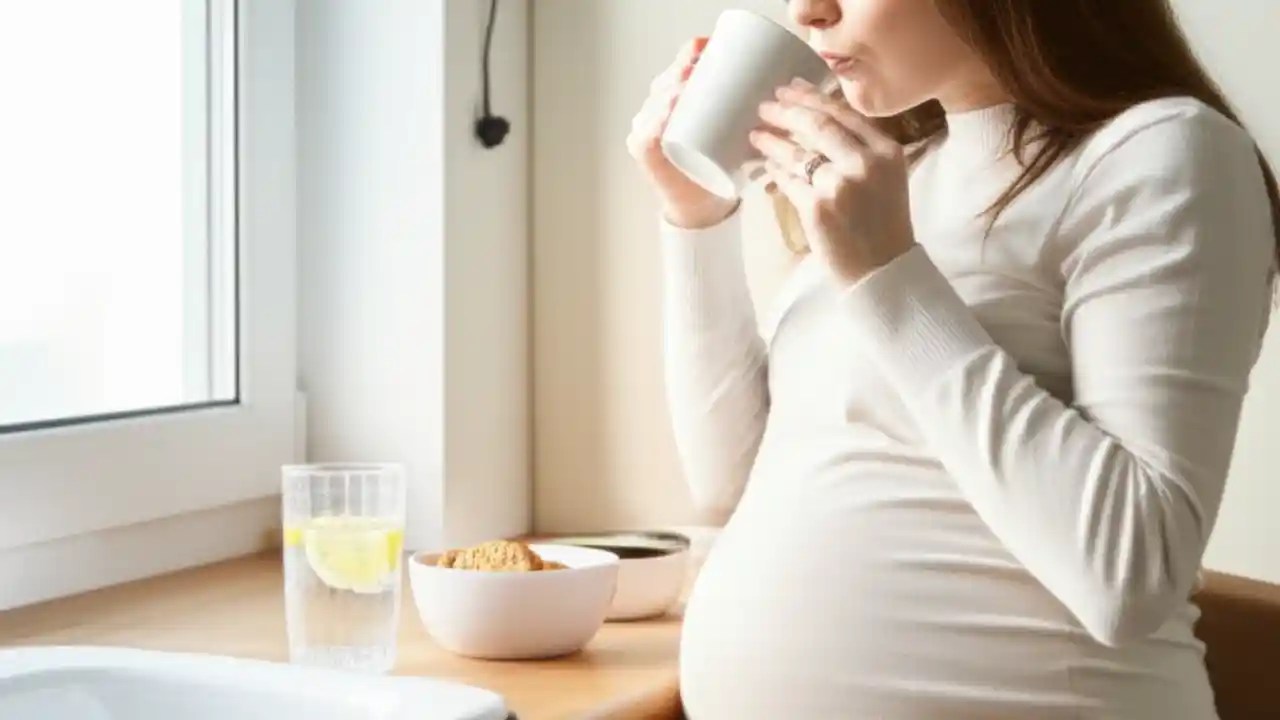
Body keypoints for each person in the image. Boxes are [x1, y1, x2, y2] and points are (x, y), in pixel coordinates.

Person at [627, 1, 1280, 718]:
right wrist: (695, 221)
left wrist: (889, 277)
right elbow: (731, 486)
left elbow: (1129, 576)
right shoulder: (900, 172)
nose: (806, 10)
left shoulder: (1162, 151)